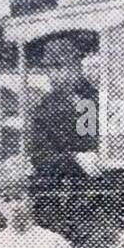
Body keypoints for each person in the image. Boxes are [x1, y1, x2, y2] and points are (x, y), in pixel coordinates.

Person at [25, 38, 100, 180]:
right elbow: (40, 157)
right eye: (50, 69)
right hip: (66, 187)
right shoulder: (44, 110)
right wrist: (76, 159)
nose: (54, 75)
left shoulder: (99, 98)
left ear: (77, 66)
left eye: (61, 67)